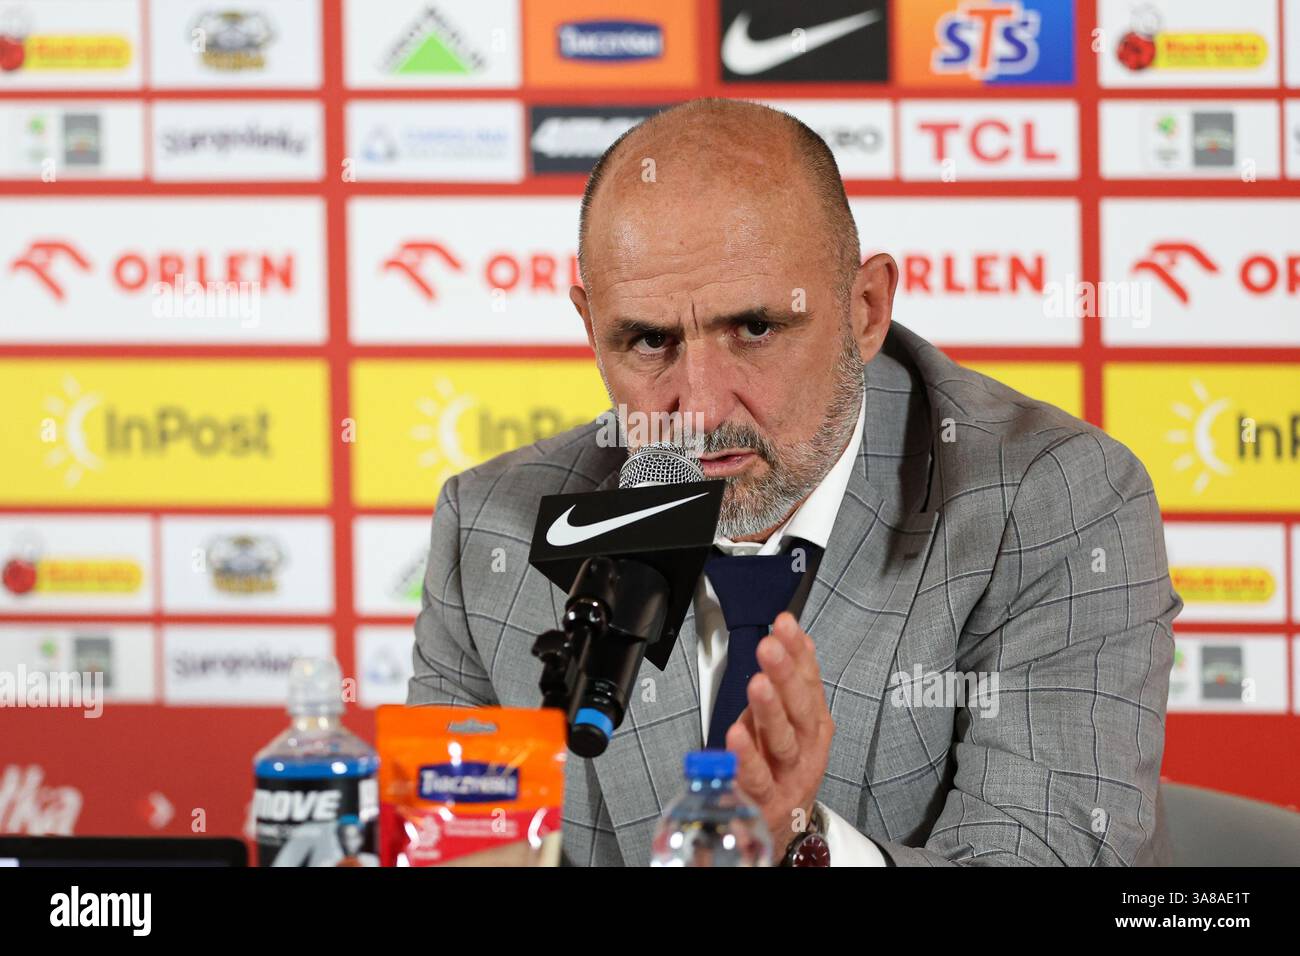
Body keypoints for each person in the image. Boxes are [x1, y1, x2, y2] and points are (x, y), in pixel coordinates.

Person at [408, 99, 1182, 866]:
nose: (700, 409)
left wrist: (802, 844)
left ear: (866, 309)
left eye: (755, 329)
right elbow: (453, 852)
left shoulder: (1053, 503)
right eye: (649, 340)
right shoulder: (492, 530)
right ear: (590, 328)